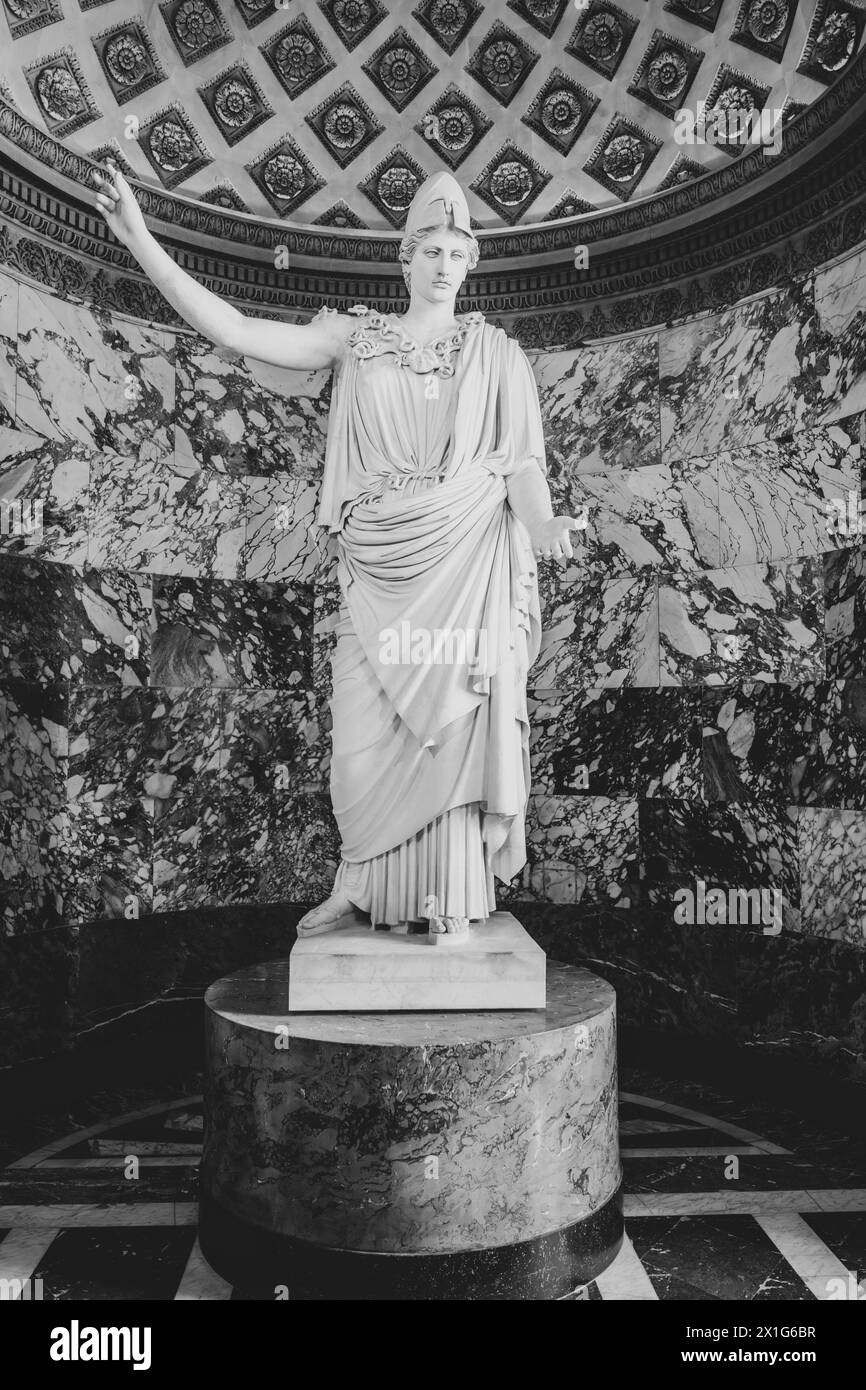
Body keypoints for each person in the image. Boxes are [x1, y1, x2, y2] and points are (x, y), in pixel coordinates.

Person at [92, 163, 579, 938]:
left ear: (471, 262)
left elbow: (520, 463)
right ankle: (358, 886)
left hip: (462, 563)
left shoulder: (499, 356)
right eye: (430, 251)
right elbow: (237, 331)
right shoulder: (357, 337)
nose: (444, 266)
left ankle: (448, 897)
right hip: (378, 564)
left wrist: (546, 526)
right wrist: (141, 237)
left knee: (449, 729)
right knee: (358, 749)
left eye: (457, 253)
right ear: (405, 256)